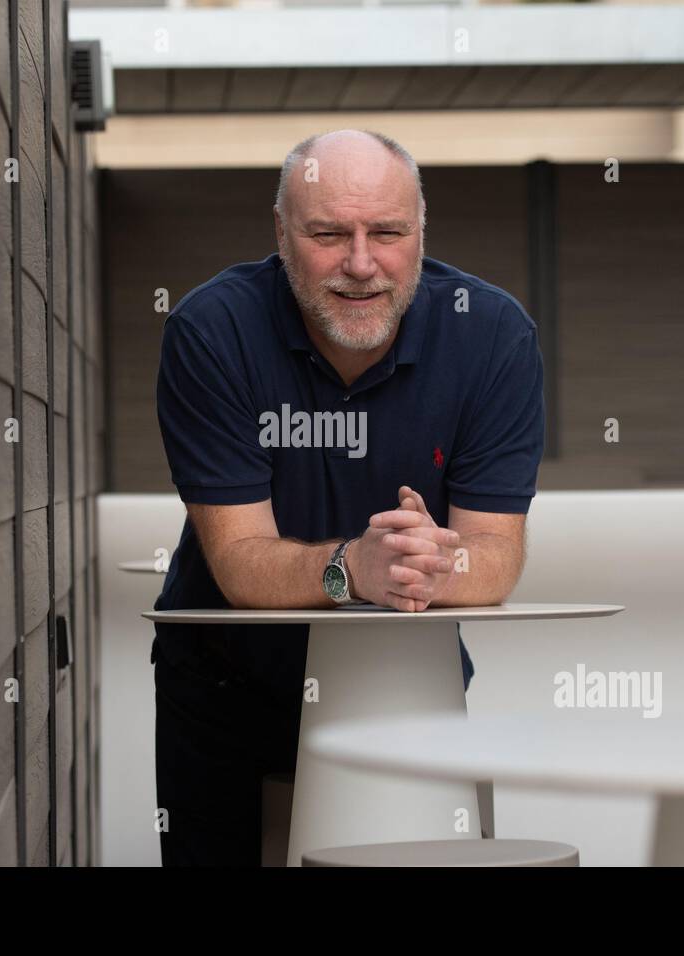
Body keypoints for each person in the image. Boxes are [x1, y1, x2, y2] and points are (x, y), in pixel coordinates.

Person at [151, 129, 546, 866]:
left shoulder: (493, 337)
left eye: (388, 233)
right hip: (223, 683)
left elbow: (497, 555)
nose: (361, 264)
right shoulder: (212, 331)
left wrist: (436, 564)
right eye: (329, 233)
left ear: (420, 233)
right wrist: (350, 568)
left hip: (405, 682)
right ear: (282, 232)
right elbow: (238, 563)